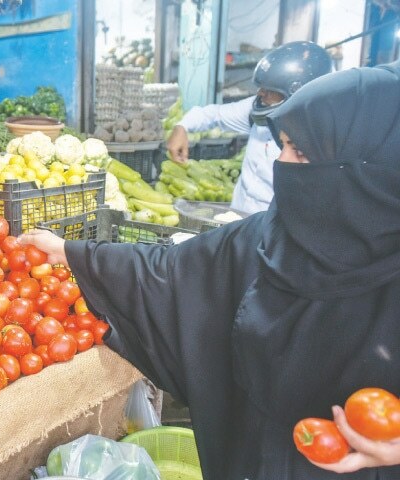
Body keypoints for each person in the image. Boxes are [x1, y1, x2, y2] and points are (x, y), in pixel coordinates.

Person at [20, 60, 400, 478]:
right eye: (284, 145)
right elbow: (171, 271)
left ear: (370, 171)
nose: (282, 162)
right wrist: (72, 253)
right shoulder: (268, 237)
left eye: (302, 152)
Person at [166, 41, 333, 215]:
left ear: (297, 93)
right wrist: (182, 127)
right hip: (238, 214)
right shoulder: (257, 110)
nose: (260, 93)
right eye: (261, 87)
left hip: (272, 223)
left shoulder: (322, 143)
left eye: (269, 90)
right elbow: (213, 115)